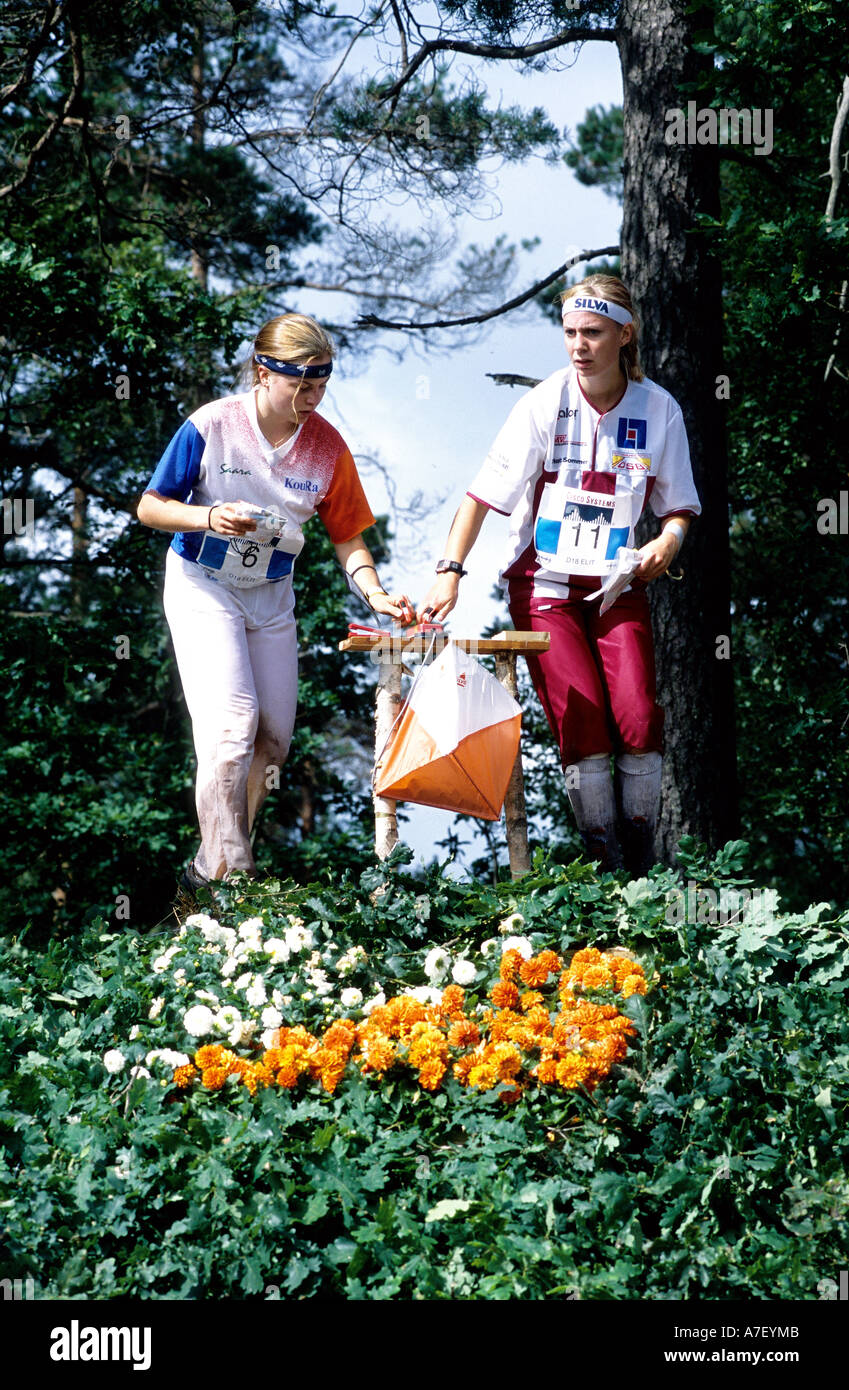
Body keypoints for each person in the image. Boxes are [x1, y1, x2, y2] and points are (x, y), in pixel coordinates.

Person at [417, 275, 701, 875]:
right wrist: (450, 572)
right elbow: (480, 498)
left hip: (616, 585)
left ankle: (641, 862)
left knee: (640, 718)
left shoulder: (660, 409)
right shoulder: (543, 404)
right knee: (585, 723)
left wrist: (669, 543)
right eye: (569, 332)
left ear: (626, 335)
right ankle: (603, 859)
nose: (578, 345)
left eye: (593, 332)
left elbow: (678, 506)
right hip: (544, 587)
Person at [137, 312, 412, 891]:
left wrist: (377, 594)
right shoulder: (213, 424)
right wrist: (209, 515)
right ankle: (230, 876)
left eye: (321, 384)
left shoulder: (328, 448)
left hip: (271, 595)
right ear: (263, 372)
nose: (312, 397)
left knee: (272, 742)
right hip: (203, 583)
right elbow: (151, 506)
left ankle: (206, 868)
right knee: (232, 725)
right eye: (300, 384)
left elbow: (348, 539)